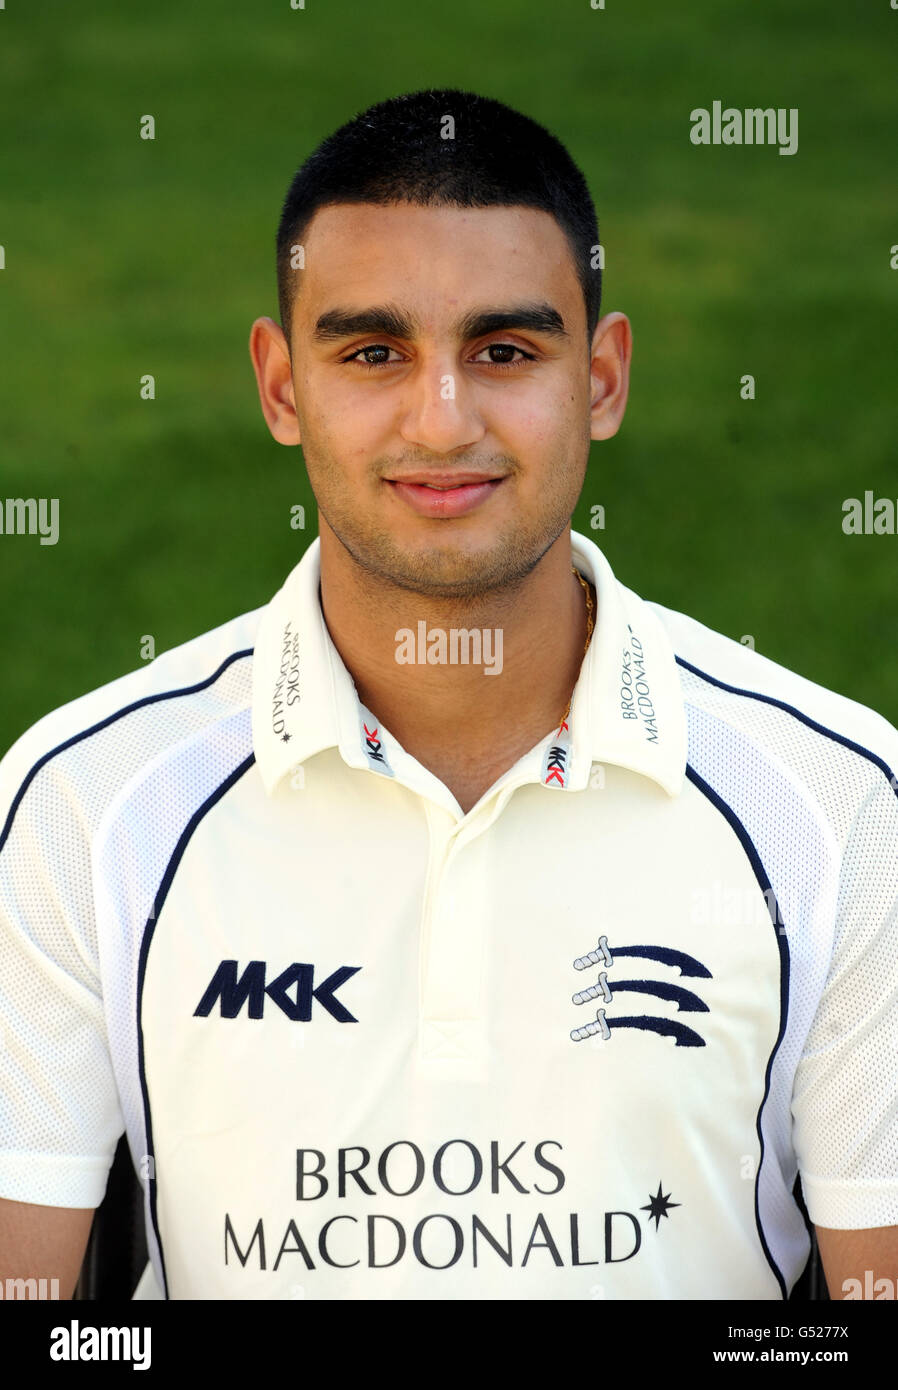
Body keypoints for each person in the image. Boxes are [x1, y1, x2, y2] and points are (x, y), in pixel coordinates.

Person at [1, 89, 896, 1301]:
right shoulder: (80, 802)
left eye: (506, 351)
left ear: (602, 378)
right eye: (372, 352)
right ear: (280, 388)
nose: (443, 419)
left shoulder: (841, 802)